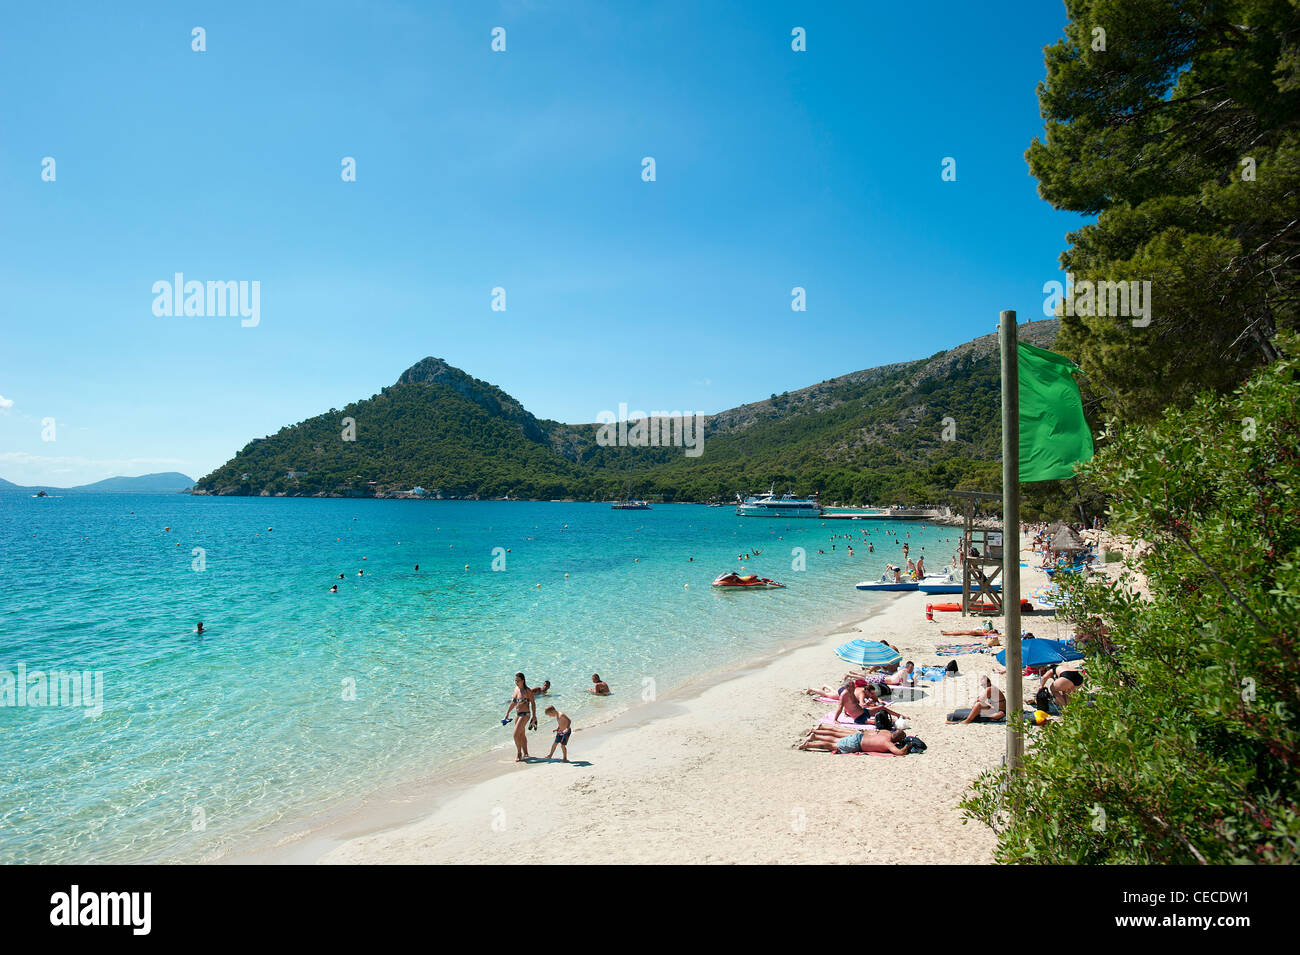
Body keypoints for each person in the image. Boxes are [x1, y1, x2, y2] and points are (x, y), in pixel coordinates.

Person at [798, 725, 913, 755]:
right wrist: (908, 745)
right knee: (833, 745)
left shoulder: (886, 732)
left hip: (859, 737)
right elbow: (899, 752)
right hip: (857, 743)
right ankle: (807, 745)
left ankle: (815, 737)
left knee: (835, 739)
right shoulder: (887, 743)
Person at [505, 672, 537, 762]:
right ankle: (526, 753)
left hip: (525, 714)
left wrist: (534, 716)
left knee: (515, 735)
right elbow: (514, 702)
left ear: (523, 680)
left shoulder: (528, 691)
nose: (516, 682)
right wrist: (507, 713)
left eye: (518, 680)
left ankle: (519, 753)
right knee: (521, 735)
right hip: (518, 715)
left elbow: (533, 704)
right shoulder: (516, 689)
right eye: (515, 680)